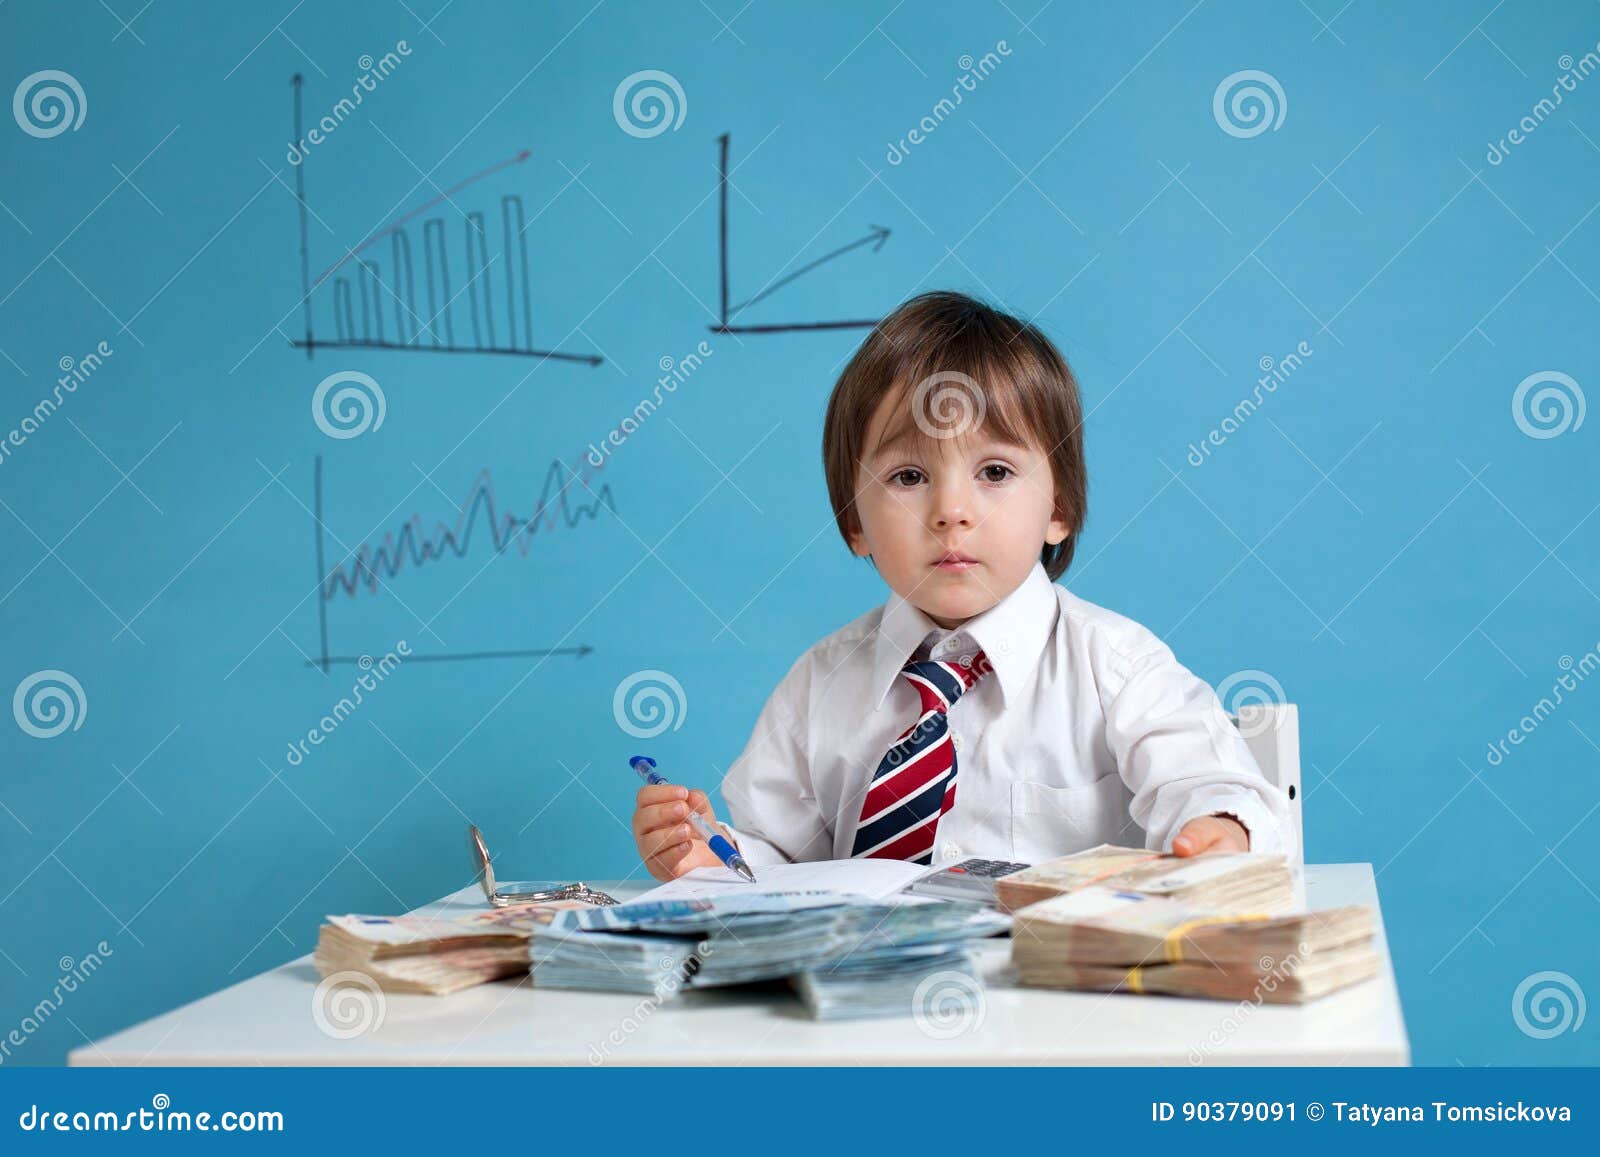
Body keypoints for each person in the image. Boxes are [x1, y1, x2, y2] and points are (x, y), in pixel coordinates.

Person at [633, 291, 1296, 880]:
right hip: (862, 1003)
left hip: (1064, 1005)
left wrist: (1218, 831)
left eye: (996, 471)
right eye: (909, 477)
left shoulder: (1113, 666)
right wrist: (711, 855)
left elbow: (1207, 782)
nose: (951, 511)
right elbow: (772, 856)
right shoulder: (820, 685)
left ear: (1059, 507)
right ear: (854, 520)